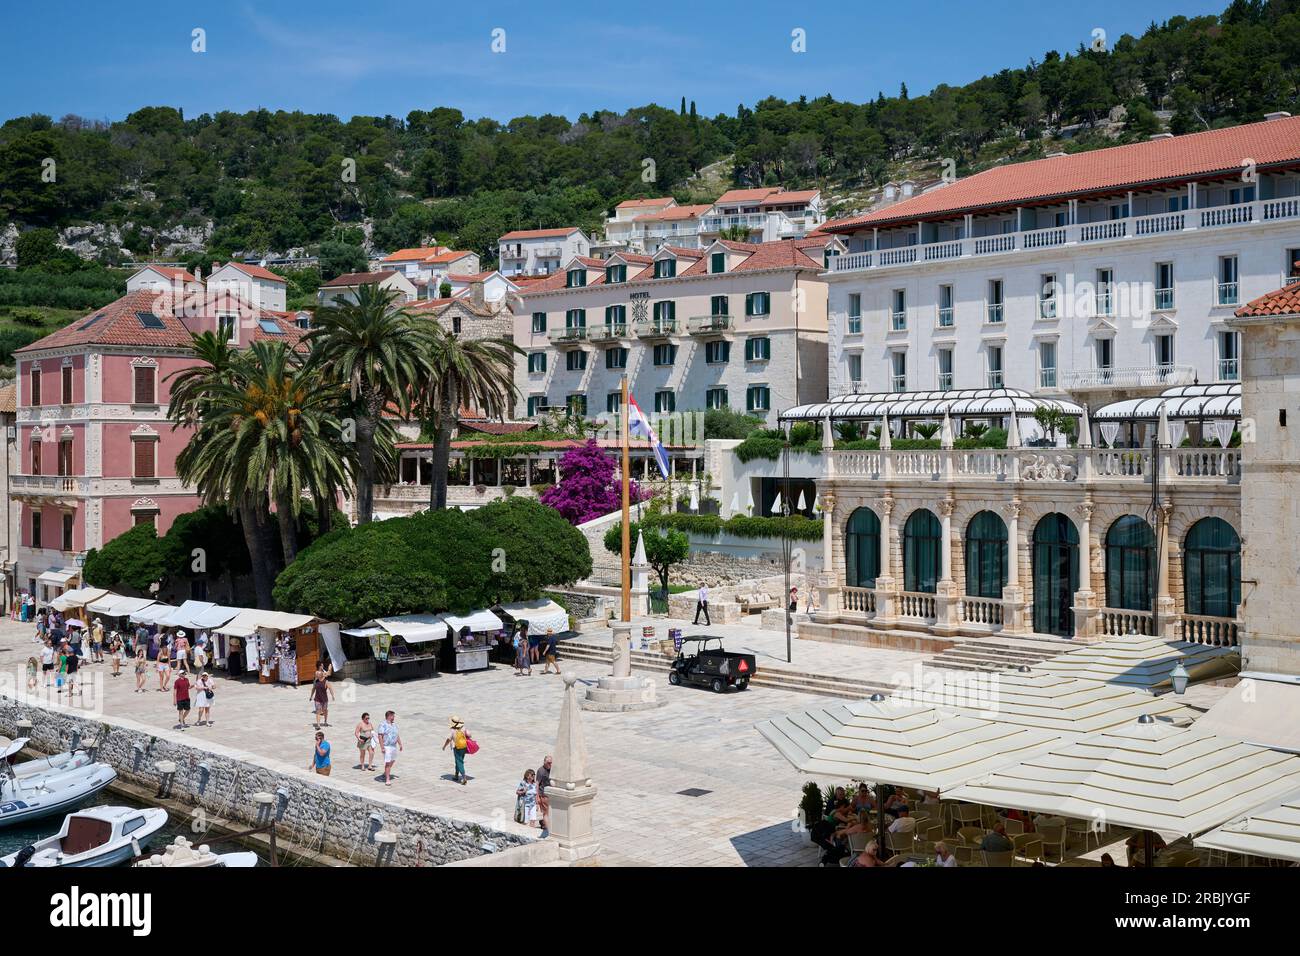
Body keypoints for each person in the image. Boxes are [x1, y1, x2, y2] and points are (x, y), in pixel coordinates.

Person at [442, 715, 469, 785]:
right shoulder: (463, 728)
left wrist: (444, 746)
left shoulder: (452, 730)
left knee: (459, 762)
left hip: (456, 748)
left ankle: (464, 778)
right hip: (464, 746)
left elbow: (448, 739)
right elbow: (469, 735)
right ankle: (456, 775)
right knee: (459, 760)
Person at [377, 711, 401, 786]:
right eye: (393, 716)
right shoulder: (382, 724)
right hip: (387, 746)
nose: (394, 717)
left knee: (393, 760)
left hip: (393, 746)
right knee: (387, 762)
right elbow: (380, 736)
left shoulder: (394, 725)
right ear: (389, 716)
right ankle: (387, 779)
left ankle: (385, 772)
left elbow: (397, 735)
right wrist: (382, 747)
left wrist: (400, 744)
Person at [536, 755, 553, 834]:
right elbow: (537, 784)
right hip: (544, 795)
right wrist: (537, 797)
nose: (550, 764)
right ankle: (548, 830)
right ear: (544, 762)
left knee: (551, 813)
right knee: (546, 813)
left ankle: (550, 827)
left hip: (552, 795)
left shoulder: (552, 769)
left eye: (551, 763)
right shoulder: (541, 771)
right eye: (549, 763)